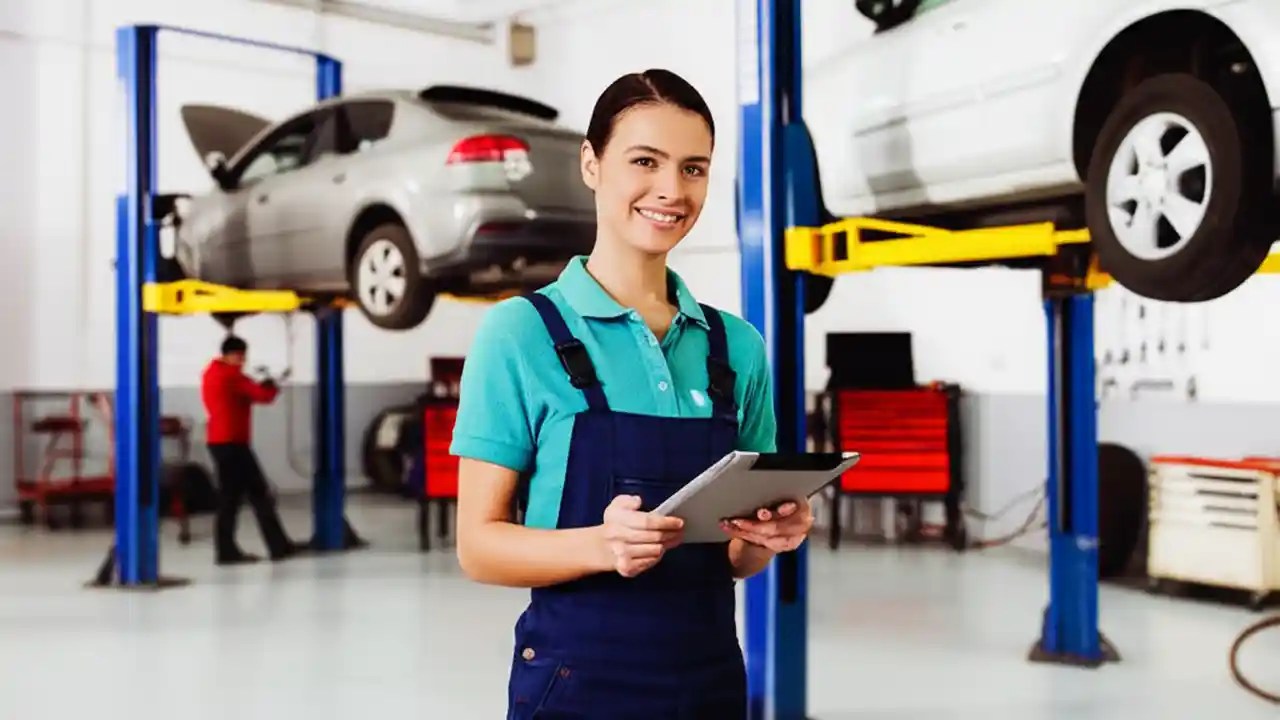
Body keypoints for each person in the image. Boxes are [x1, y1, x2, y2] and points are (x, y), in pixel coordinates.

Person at [451, 69, 815, 719]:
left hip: (707, 683)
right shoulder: (522, 333)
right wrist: (601, 545)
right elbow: (478, 547)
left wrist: (770, 534)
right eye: (645, 161)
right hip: (574, 688)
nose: (672, 190)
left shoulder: (736, 348)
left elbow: (734, 555)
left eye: (694, 168)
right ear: (592, 164)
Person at [201, 335, 301, 565]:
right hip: (233, 444)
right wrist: (273, 384)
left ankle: (228, 551)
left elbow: (245, 393)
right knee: (257, 494)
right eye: (240, 355)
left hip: (219, 442)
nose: (243, 360)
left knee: (231, 499)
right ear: (231, 354)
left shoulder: (211, 373)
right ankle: (277, 547)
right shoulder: (230, 375)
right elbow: (262, 396)